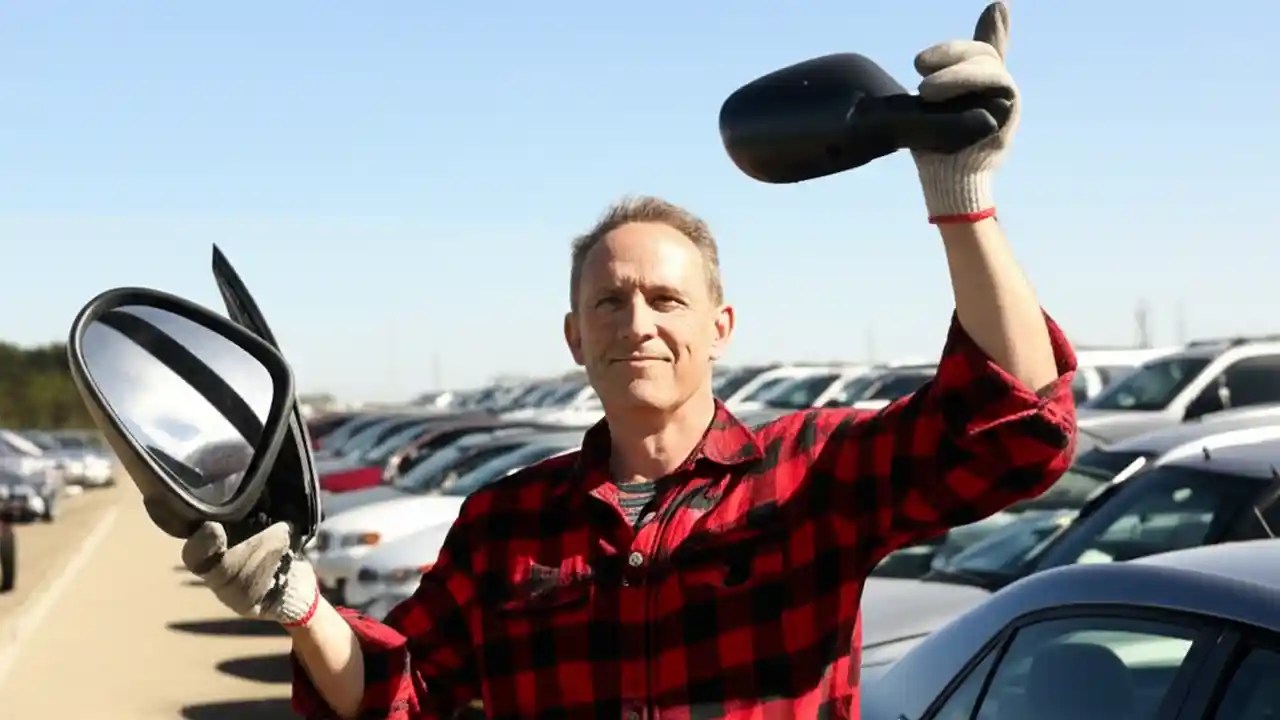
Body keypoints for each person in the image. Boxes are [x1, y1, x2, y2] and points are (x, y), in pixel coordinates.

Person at [182, 3, 1079, 718]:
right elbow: (399, 693)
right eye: (608, 302)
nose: (636, 322)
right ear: (575, 337)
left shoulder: (814, 479)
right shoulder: (507, 526)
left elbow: (1014, 435)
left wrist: (962, 198)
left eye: (666, 299)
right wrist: (300, 605)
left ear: (720, 326)